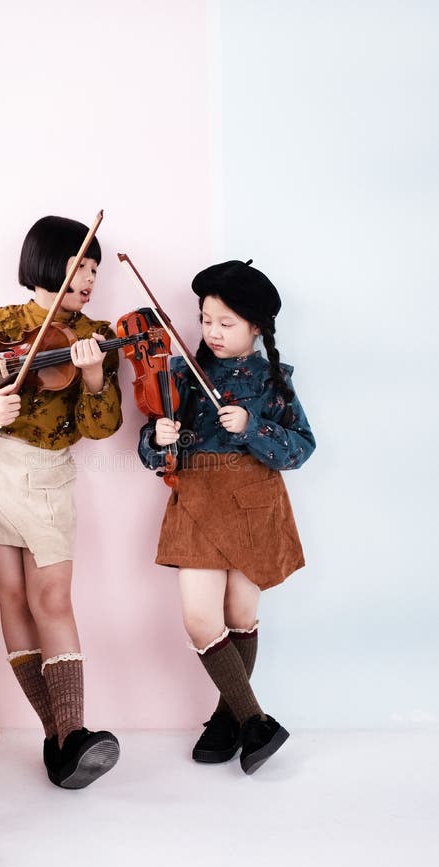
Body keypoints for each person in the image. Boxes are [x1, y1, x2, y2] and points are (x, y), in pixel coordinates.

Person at [0, 215, 122, 789]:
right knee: (12, 597)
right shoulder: (2, 325)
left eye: (94, 269)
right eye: (79, 267)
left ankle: (71, 734)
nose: (89, 279)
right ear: (44, 264)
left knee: (52, 598)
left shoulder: (95, 334)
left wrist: (93, 379)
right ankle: (60, 739)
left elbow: (102, 428)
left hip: (45, 475)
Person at [137, 259, 316, 774]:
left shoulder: (273, 381)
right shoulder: (179, 376)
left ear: (256, 327)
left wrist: (252, 425)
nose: (212, 332)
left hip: (252, 500)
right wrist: (158, 439)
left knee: (239, 616)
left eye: (226, 323)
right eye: (206, 319)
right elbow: (150, 456)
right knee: (199, 619)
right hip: (194, 497)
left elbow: (301, 449)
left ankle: (228, 717)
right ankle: (255, 719)